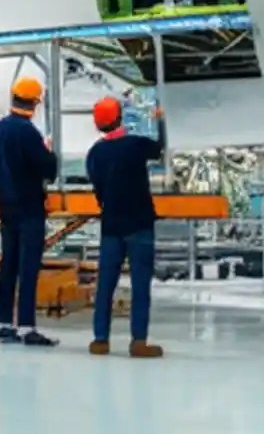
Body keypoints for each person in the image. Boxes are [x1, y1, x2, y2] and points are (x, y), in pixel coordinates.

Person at [85, 98, 165, 358]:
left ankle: (100, 339)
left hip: (111, 226)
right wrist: (160, 120)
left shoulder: (95, 154)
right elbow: (159, 148)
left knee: (105, 285)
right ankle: (138, 341)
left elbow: (97, 190)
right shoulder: (135, 145)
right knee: (140, 286)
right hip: (139, 224)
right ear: (120, 118)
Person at [0, 77, 59, 346]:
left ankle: (5, 323)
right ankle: (27, 326)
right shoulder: (28, 133)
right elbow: (47, 170)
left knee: (8, 265)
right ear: (35, 103)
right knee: (28, 267)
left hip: (6, 207)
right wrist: (48, 153)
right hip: (29, 207)